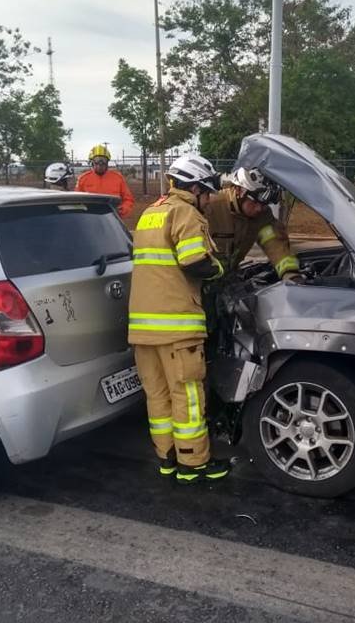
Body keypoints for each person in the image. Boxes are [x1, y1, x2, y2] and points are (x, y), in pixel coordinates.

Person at [127, 153, 230, 484]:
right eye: (207, 191)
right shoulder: (186, 212)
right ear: (196, 187)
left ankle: (167, 459)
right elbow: (194, 263)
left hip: (142, 329)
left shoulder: (150, 214)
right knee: (187, 395)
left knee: (157, 396)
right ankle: (194, 463)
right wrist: (220, 268)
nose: (209, 198)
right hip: (177, 327)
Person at [204, 167, 300, 279]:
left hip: (227, 279)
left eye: (264, 204)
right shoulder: (211, 206)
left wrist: (290, 274)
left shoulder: (262, 216)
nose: (259, 209)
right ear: (240, 191)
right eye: (255, 202)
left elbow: (276, 246)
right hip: (199, 280)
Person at [75, 144, 135, 217]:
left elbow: (128, 199)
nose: (100, 164)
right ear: (92, 162)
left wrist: (123, 209)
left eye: (103, 160)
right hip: (89, 219)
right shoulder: (83, 179)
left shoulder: (118, 178)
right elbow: (76, 201)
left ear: (107, 162)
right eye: (97, 160)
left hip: (112, 219)